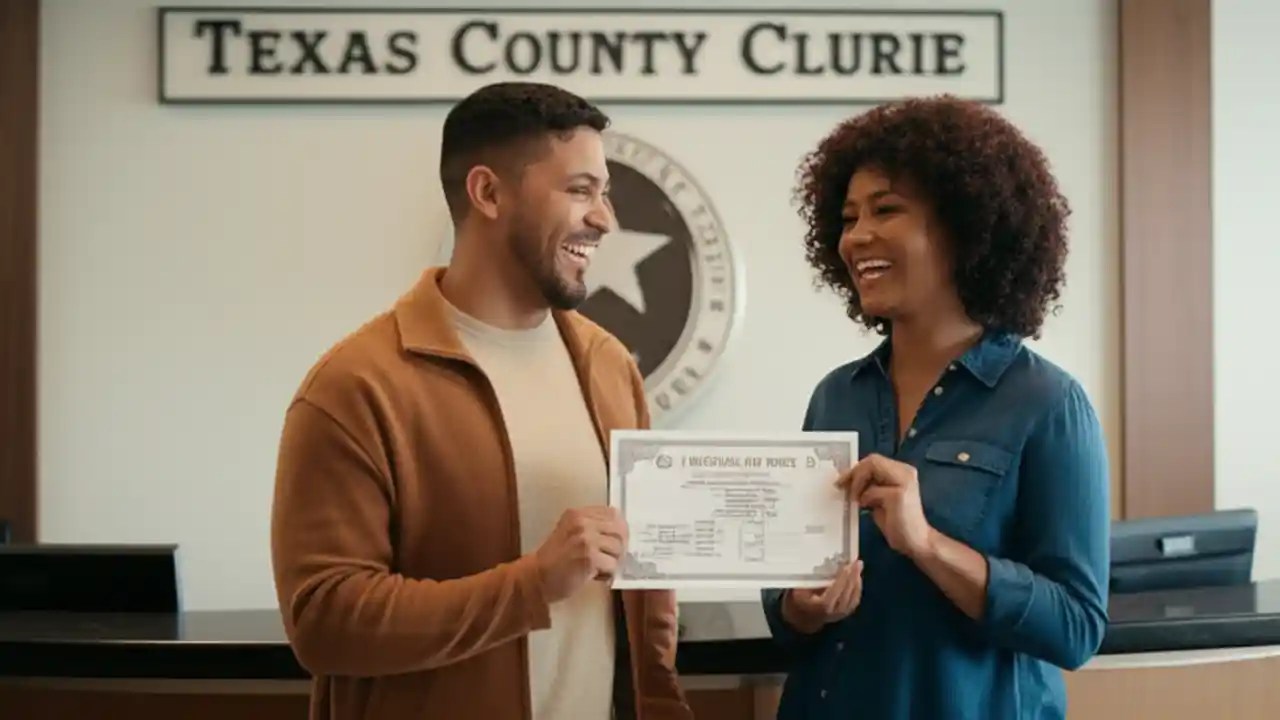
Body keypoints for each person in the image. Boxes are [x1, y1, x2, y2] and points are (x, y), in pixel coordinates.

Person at [270, 81, 691, 720]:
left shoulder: (609, 366)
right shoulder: (355, 385)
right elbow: (324, 621)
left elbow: (646, 595)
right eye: (580, 190)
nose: (604, 217)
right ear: (488, 193)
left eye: (603, 192)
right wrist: (534, 583)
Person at [761, 96, 1111, 719]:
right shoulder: (835, 394)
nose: (857, 236)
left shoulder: (1048, 403)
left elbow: (1076, 628)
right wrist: (798, 607)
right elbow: (789, 590)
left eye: (886, 210)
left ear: (965, 225)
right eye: (847, 217)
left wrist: (927, 545)